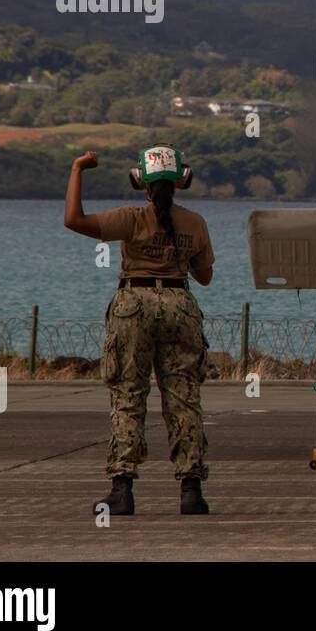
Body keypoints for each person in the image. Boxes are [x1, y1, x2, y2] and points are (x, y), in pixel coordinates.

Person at [63, 144, 215, 516]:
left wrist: (78, 168)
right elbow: (205, 276)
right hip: (179, 305)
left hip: (133, 305)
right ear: (182, 181)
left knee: (128, 395)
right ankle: (190, 491)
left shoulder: (130, 219)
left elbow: (74, 220)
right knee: (183, 398)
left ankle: (122, 488)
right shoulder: (195, 223)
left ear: (140, 183)